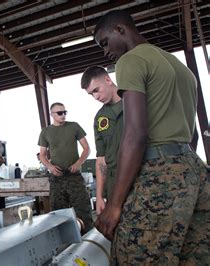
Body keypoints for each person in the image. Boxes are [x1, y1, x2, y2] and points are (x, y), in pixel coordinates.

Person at [94, 9, 209, 264]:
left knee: (133, 254)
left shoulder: (131, 61)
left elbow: (135, 133)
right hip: (194, 171)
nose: (105, 52)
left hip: (158, 173)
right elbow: (192, 135)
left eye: (105, 42)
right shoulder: (182, 69)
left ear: (120, 30)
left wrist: (114, 204)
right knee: (194, 255)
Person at [38, 102, 93, 232]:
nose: (63, 115)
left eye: (64, 112)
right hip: (57, 177)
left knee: (83, 208)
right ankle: (63, 242)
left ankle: (89, 239)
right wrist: (50, 167)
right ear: (52, 114)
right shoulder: (46, 132)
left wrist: (78, 163)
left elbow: (86, 148)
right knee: (58, 212)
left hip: (74, 176)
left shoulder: (74, 126)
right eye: (59, 113)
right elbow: (42, 155)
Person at [80, 66, 123, 215]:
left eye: (96, 90)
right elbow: (101, 159)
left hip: (143, 180)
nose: (96, 97)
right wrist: (99, 197)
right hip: (115, 188)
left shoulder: (135, 102)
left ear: (108, 79)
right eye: (91, 94)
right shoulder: (100, 118)